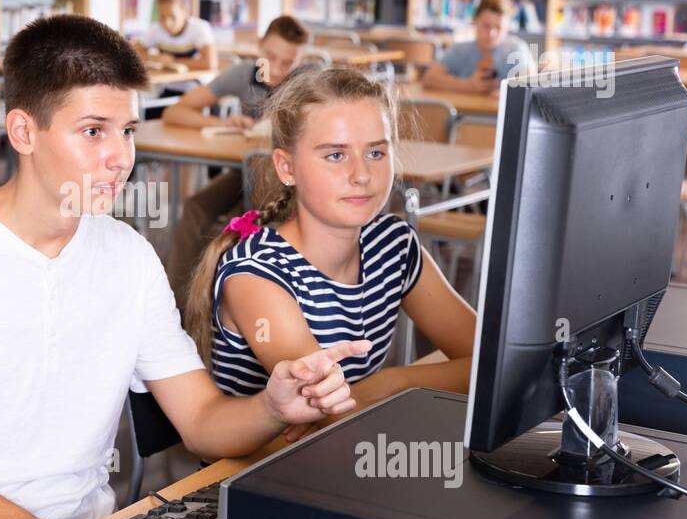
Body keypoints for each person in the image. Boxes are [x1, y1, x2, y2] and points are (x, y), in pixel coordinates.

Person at [0, 15, 370, 519]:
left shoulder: (128, 254)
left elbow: (203, 422)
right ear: (23, 131)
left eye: (128, 130)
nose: (120, 157)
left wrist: (275, 406)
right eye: (93, 131)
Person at [184, 64, 475, 444]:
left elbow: (492, 366)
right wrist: (367, 397)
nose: (361, 174)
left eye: (375, 152)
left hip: (345, 453)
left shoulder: (394, 245)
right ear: (286, 167)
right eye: (335, 156)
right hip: (257, 475)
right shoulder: (256, 274)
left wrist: (394, 382)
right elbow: (328, 411)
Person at [163, 15, 310, 309]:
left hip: (300, 181)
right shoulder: (244, 74)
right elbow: (175, 112)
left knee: (274, 218)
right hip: (248, 173)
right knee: (195, 208)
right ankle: (176, 309)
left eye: (288, 62)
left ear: (302, 60)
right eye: (270, 56)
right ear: (259, 47)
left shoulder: (309, 80)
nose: (277, 69)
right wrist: (224, 122)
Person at [421, 0, 533, 95]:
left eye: (498, 28)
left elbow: (531, 88)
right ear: (475, 20)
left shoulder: (517, 49)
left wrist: (505, 94)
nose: (491, 34)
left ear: (507, 27)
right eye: (486, 26)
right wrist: (468, 85)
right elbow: (428, 79)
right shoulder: (460, 49)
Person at [134, 0, 218, 73]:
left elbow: (210, 63)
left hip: (194, 82)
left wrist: (173, 61)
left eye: (173, 17)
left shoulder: (200, 28)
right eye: (162, 17)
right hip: (164, 82)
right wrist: (154, 58)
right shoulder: (156, 29)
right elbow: (131, 54)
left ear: (184, 12)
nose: (167, 23)